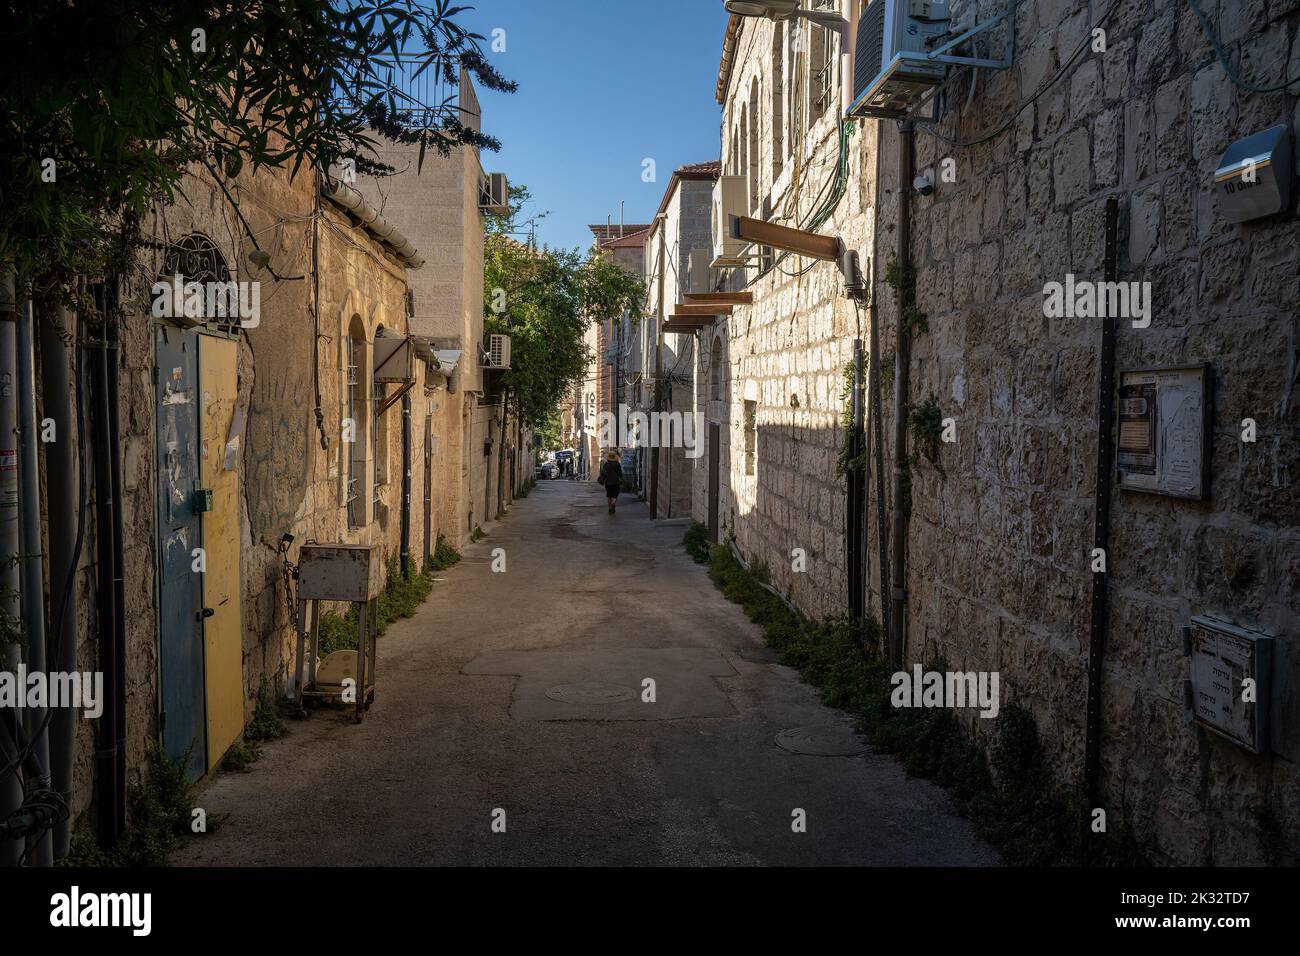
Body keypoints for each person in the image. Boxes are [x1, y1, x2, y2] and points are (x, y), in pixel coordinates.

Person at [597, 450, 623, 515]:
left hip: (608, 482)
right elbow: (620, 474)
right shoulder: (617, 464)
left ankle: (610, 508)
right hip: (616, 482)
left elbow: (603, 473)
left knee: (609, 495)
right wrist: (621, 478)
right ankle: (613, 503)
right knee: (615, 494)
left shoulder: (606, 464)